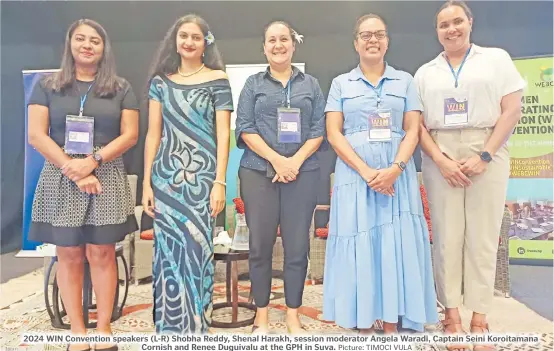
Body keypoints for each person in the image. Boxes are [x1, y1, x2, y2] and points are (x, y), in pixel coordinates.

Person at [414, 1, 525, 350]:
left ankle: (479, 317)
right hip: (439, 150)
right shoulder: (425, 72)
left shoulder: (496, 59)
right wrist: (440, 160)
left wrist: (486, 154)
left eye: (457, 21)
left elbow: (512, 109)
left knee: (483, 237)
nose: (451, 29)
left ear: (470, 23)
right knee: (446, 238)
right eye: (443, 24)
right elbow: (415, 123)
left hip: (486, 147)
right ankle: (452, 317)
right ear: (437, 31)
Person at [27, 19, 139, 351]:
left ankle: (103, 328)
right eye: (81, 39)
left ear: (105, 48)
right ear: (70, 44)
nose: (87, 45)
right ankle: (78, 331)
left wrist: (94, 161)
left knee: (102, 252)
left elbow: (130, 134)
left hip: (106, 176)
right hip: (60, 177)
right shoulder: (48, 86)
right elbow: (36, 134)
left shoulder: (121, 87)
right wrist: (73, 167)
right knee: (69, 254)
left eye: (95, 41)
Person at [322, 14, 438, 334]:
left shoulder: (405, 81)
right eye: (366, 35)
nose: (373, 40)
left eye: (379, 34)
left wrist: (395, 170)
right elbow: (334, 133)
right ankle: (363, 314)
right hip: (354, 177)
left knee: (394, 242)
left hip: (397, 177)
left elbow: (413, 130)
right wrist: (368, 173)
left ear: (387, 40)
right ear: (355, 42)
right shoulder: (341, 84)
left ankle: (392, 319)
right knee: (361, 241)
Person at [143, 14, 233, 334]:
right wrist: (147, 185)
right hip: (167, 178)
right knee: (167, 254)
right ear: (175, 40)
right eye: (184, 36)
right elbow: (153, 135)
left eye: (196, 37)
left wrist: (220, 181)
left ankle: (196, 327)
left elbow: (224, 134)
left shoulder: (218, 79)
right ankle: (168, 328)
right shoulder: (160, 82)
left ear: (205, 43)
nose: (189, 42)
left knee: (197, 251)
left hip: (201, 181)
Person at [234, 21, 326, 334]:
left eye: (283, 39)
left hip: (303, 173)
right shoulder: (253, 84)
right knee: (259, 246)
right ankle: (261, 314)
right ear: (264, 47)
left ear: (293, 44)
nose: (278, 45)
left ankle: (292, 314)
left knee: (297, 246)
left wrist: (294, 162)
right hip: (258, 172)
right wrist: (277, 161)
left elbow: (318, 130)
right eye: (271, 40)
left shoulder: (310, 84)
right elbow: (244, 128)